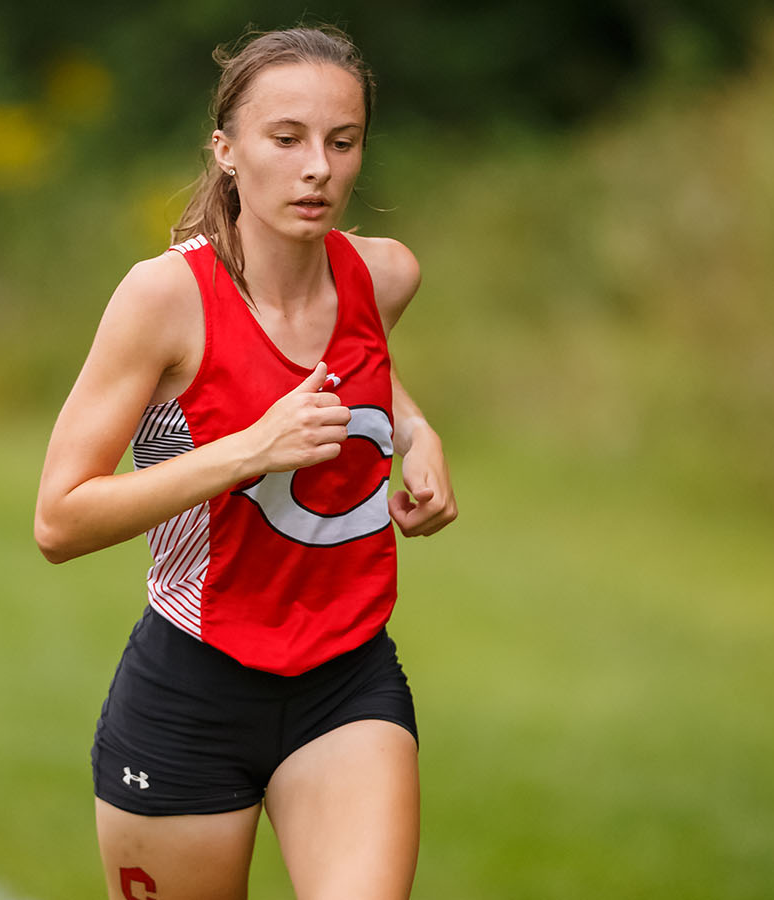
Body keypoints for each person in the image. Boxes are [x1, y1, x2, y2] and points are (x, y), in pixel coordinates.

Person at [35, 24, 457, 900]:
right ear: (227, 151)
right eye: (287, 139)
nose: (318, 169)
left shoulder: (384, 276)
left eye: (343, 142)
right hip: (192, 690)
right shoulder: (165, 298)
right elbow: (60, 519)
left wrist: (418, 433)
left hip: (348, 681)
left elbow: (365, 366)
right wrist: (247, 451)